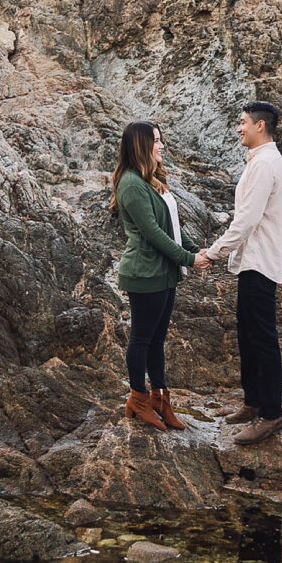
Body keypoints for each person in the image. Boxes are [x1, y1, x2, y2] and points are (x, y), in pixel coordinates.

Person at [195, 101, 282, 445]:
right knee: (248, 334)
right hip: (253, 260)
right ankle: (253, 404)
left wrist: (215, 253)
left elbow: (247, 220)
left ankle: (271, 416)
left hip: (261, 261)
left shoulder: (265, 164)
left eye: (243, 122)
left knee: (262, 339)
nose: (239, 128)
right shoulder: (261, 161)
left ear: (260, 126)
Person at [111, 121, 196, 431]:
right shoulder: (131, 184)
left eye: (161, 140)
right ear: (140, 146)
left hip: (164, 273)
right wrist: (188, 258)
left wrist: (196, 249)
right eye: (156, 141)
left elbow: (173, 226)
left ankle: (161, 398)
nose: (161, 146)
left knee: (157, 340)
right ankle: (138, 398)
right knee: (141, 339)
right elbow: (154, 234)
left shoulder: (151, 181)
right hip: (144, 272)